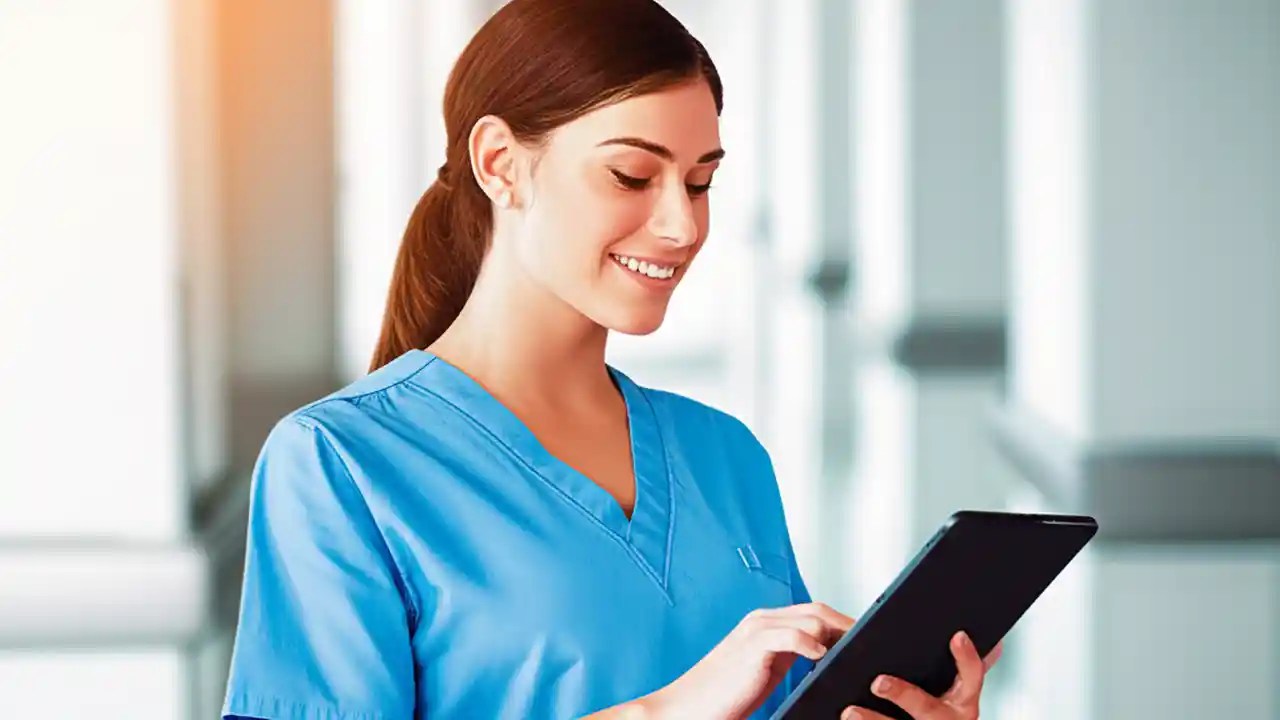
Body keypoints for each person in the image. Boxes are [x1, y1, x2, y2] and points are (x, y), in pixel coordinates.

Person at [220, 0, 1001, 718]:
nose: (682, 226)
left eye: (700, 182)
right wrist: (663, 712)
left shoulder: (725, 456)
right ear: (500, 163)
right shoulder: (341, 464)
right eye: (632, 175)